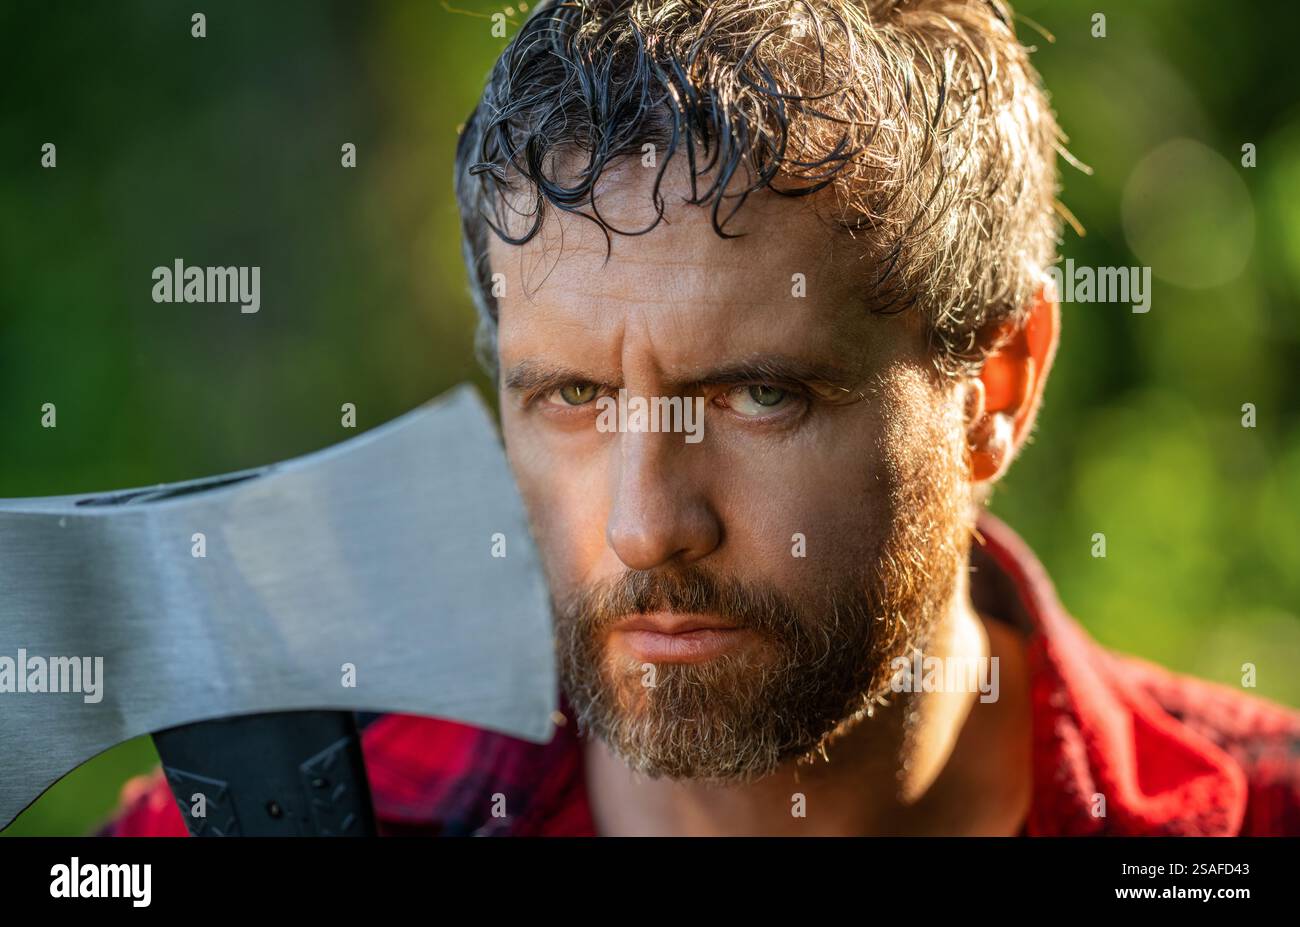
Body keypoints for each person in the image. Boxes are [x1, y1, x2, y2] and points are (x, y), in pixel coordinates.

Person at [104, 0, 1300, 837]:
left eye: (758, 394)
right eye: (572, 397)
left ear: (993, 386)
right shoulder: (250, 822)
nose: (644, 527)